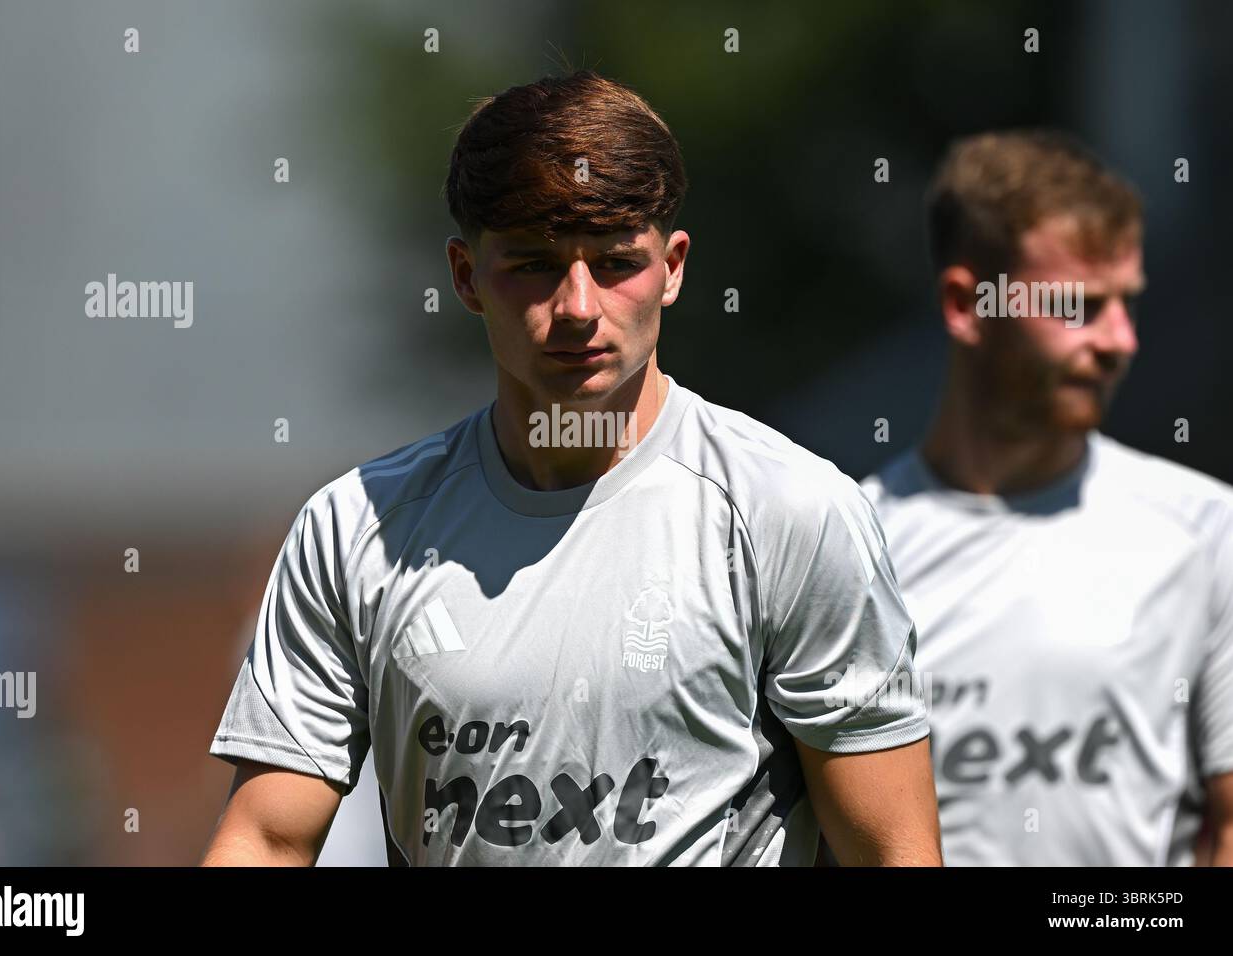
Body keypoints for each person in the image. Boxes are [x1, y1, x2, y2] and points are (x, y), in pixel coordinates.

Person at [201, 70, 940, 866]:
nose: (579, 307)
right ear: (464, 276)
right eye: (534, 265)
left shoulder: (791, 512)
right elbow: (268, 839)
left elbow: (893, 849)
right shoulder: (357, 529)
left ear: (674, 267)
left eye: (616, 263)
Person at [862, 130, 1233, 865]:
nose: (1121, 339)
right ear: (967, 304)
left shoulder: (1203, 528)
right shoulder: (848, 542)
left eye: (1127, 303)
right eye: (1080, 306)